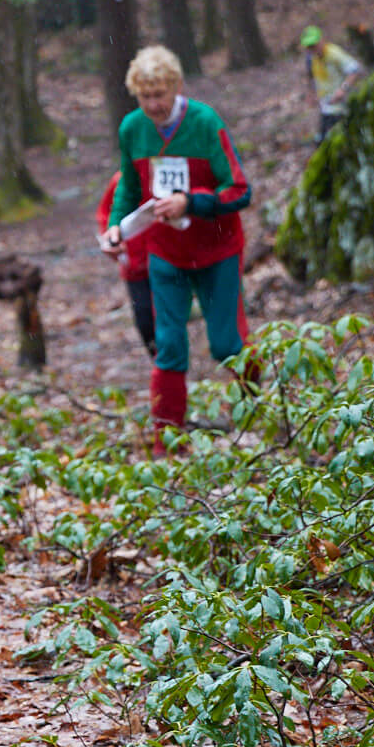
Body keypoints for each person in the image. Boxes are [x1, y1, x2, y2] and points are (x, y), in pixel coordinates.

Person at [98, 46, 252, 452]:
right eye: (144, 97)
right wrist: (115, 226)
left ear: (177, 87)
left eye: (159, 95)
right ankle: (167, 442)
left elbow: (239, 190)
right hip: (165, 253)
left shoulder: (205, 122)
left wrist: (192, 201)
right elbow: (130, 187)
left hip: (217, 250)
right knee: (168, 345)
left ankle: (257, 415)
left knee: (227, 344)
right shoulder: (133, 129)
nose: (153, 105)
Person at [96, 171, 156, 357]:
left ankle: (171, 363)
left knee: (169, 317)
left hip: (168, 262)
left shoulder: (169, 174)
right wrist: (111, 239)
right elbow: (105, 214)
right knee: (144, 319)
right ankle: (158, 360)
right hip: (134, 266)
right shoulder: (122, 179)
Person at [300, 25, 366, 142]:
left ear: (321, 40)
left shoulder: (333, 53)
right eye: (308, 46)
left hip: (342, 107)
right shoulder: (312, 58)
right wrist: (312, 95)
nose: (312, 48)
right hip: (327, 107)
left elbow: (356, 70)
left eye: (313, 44)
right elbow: (312, 78)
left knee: (340, 141)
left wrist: (343, 89)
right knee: (323, 142)